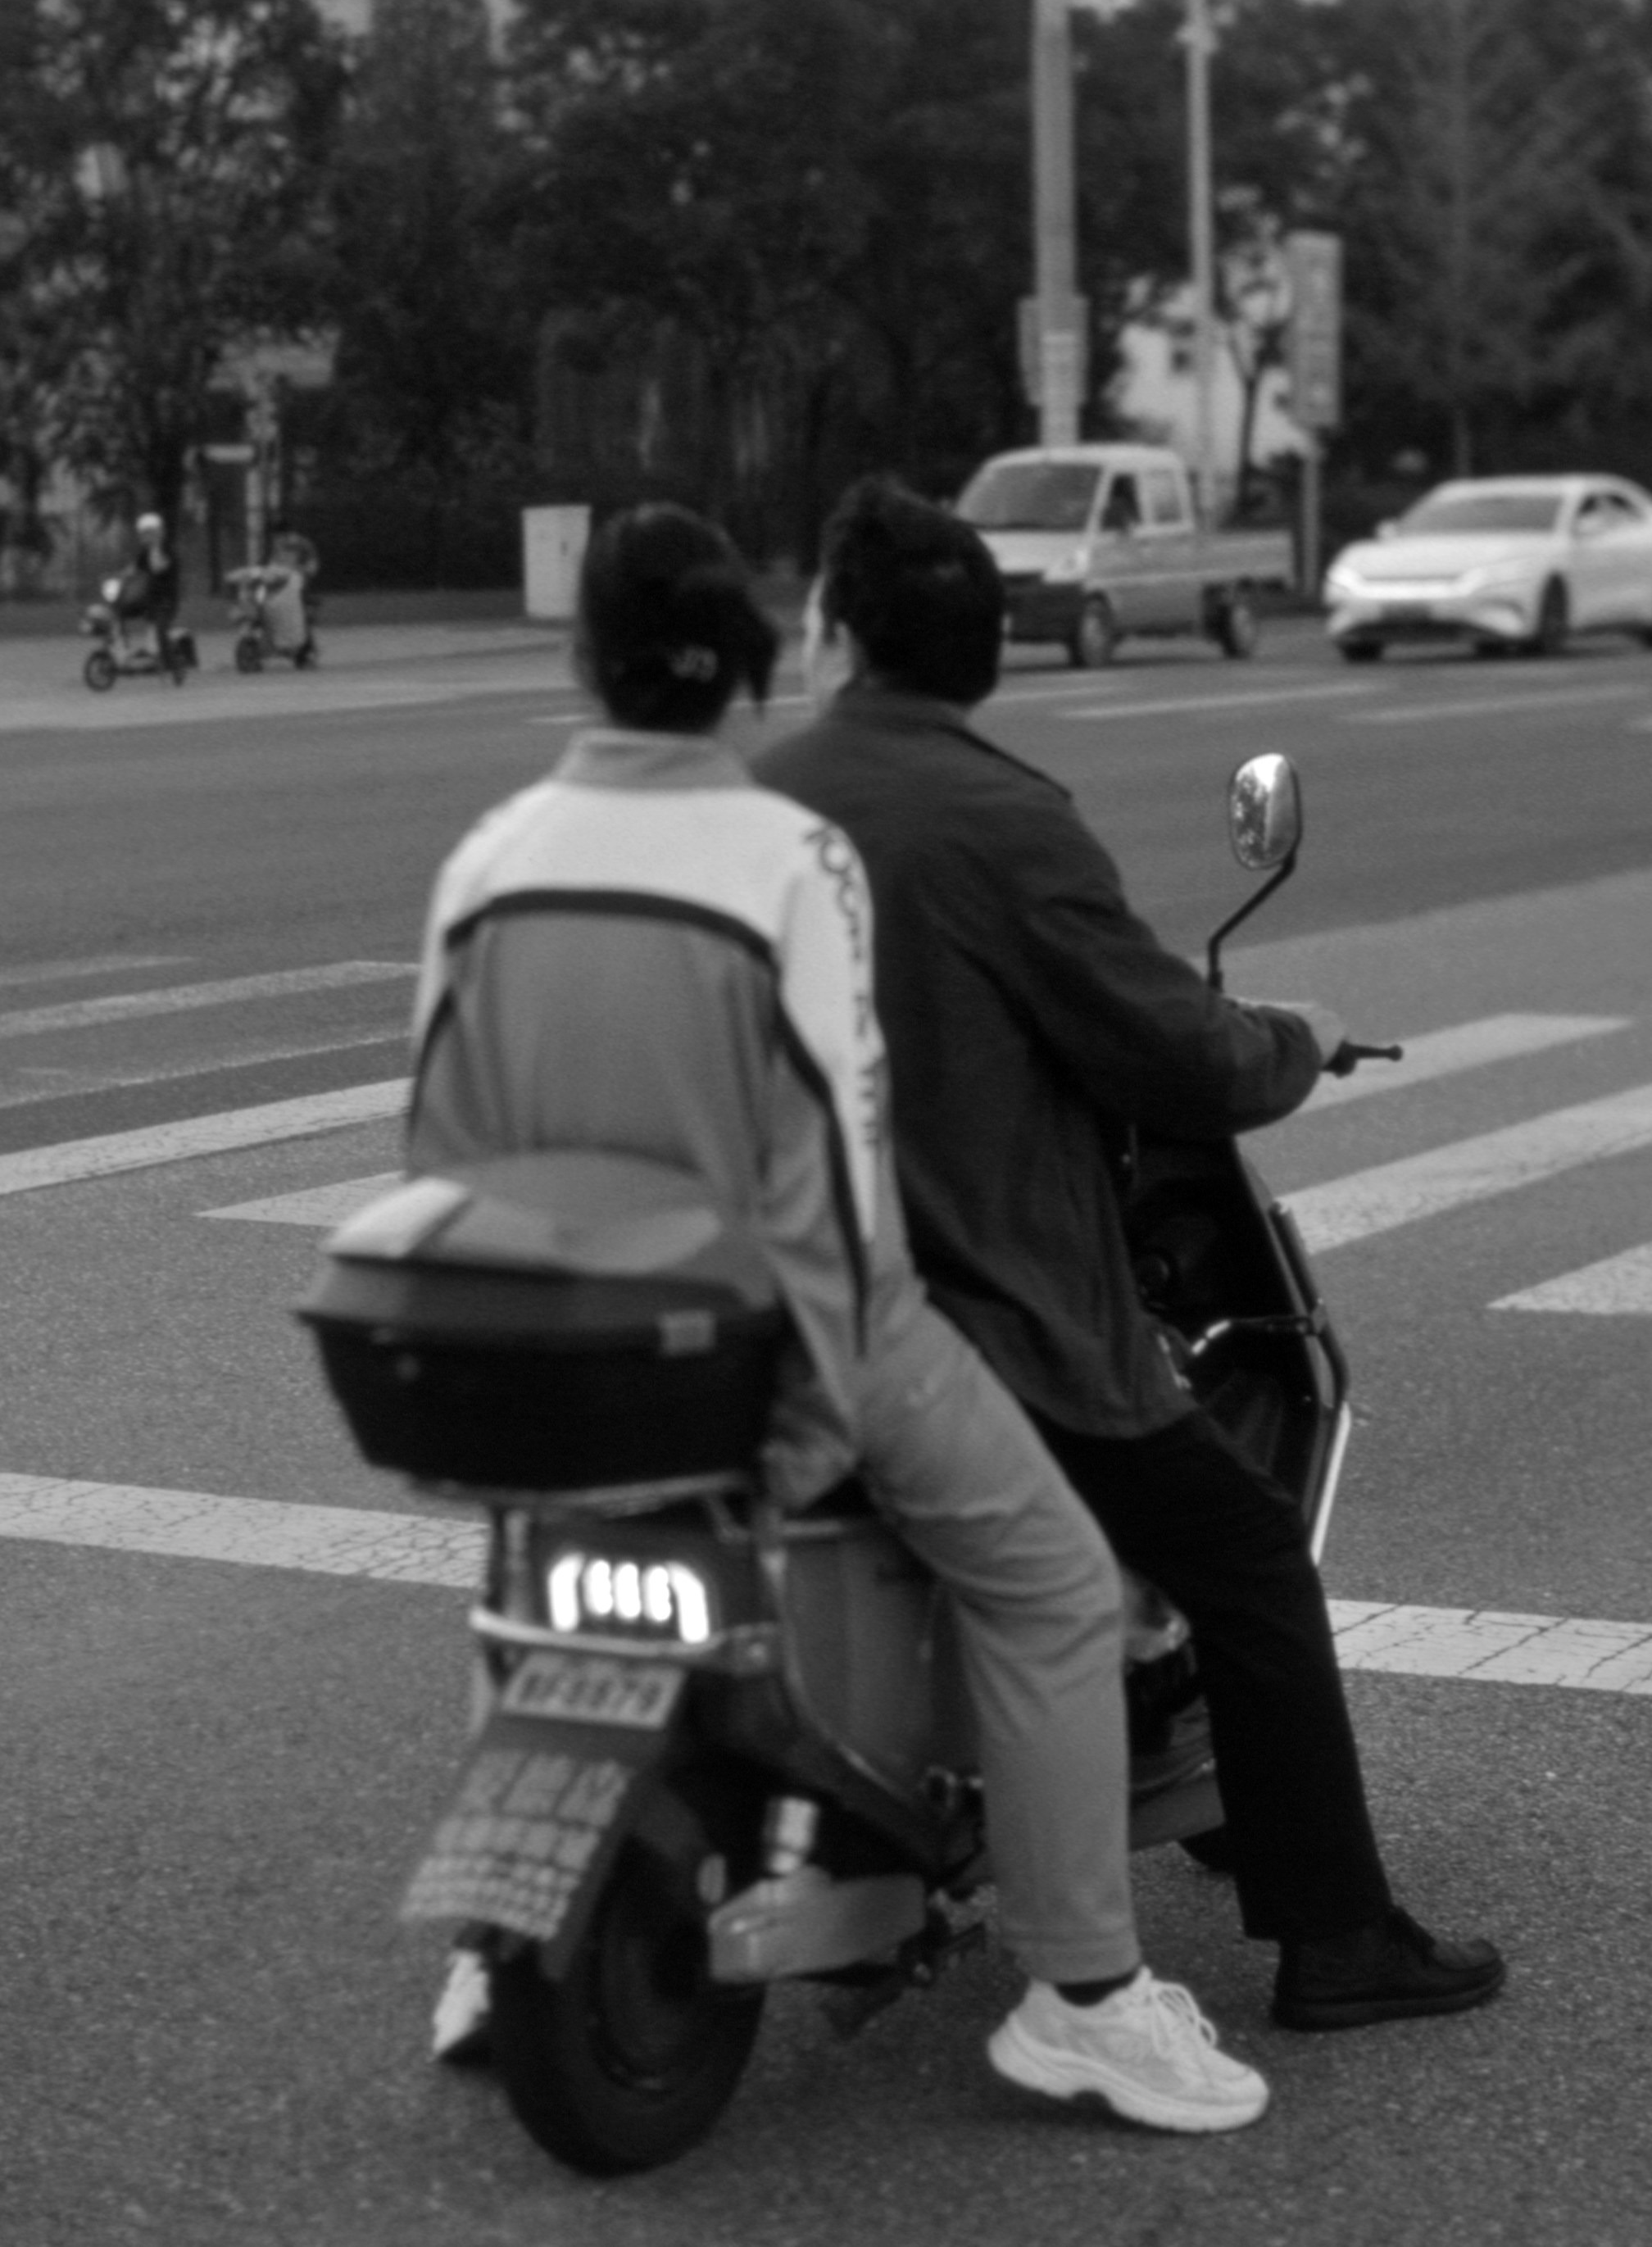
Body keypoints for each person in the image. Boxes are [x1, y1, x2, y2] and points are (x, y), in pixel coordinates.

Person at [406, 502, 1268, 2136]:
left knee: (528, 1584)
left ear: (582, 660)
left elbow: (444, 1147)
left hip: (559, 1340)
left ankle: (492, 1927)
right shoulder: (781, 861)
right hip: (768, 1333)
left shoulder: (489, 857)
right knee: (1054, 1578)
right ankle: (1084, 1992)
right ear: (751, 673)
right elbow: (831, 1174)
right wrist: (812, 1408)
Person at [756, 479, 1506, 2033]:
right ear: (984, 660)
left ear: (835, 637)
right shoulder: (998, 815)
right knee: (1247, 1564)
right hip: (982, 1324)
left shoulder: (755, 803)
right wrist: (1291, 1040)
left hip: (759, 1315)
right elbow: (1174, 1051)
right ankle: (1338, 1935)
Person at [121, 510, 188, 669]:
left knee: (160, 628)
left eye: (148, 533)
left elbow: (159, 567)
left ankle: (169, 662)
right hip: (149, 599)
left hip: (166, 601)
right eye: (143, 533)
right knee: (119, 611)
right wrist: (118, 576)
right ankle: (121, 652)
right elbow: (133, 569)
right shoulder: (145, 553)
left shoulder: (168, 551)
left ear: (158, 533)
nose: (144, 537)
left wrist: (155, 547)